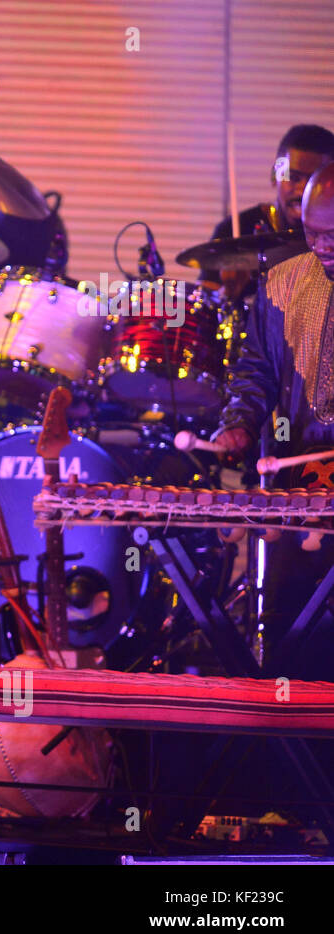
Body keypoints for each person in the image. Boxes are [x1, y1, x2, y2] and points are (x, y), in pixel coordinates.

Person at [215, 160, 334, 680]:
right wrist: (240, 421)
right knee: (289, 633)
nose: (323, 246)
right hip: (294, 484)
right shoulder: (282, 284)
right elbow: (256, 370)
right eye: (313, 234)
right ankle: (286, 753)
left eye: (333, 235)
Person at [198, 124, 334, 303]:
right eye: (293, 177)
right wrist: (228, 295)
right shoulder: (232, 230)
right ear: (275, 175)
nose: (302, 191)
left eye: (313, 180)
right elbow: (203, 309)